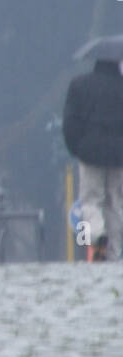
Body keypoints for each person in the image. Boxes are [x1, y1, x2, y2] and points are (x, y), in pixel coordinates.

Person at [62, 57, 123, 261]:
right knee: (115, 202)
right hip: (118, 156)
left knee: (89, 201)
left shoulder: (79, 85)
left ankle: (96, 237)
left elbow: (70, 122)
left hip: (89, 153)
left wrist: (76, 148)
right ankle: (113, 254)